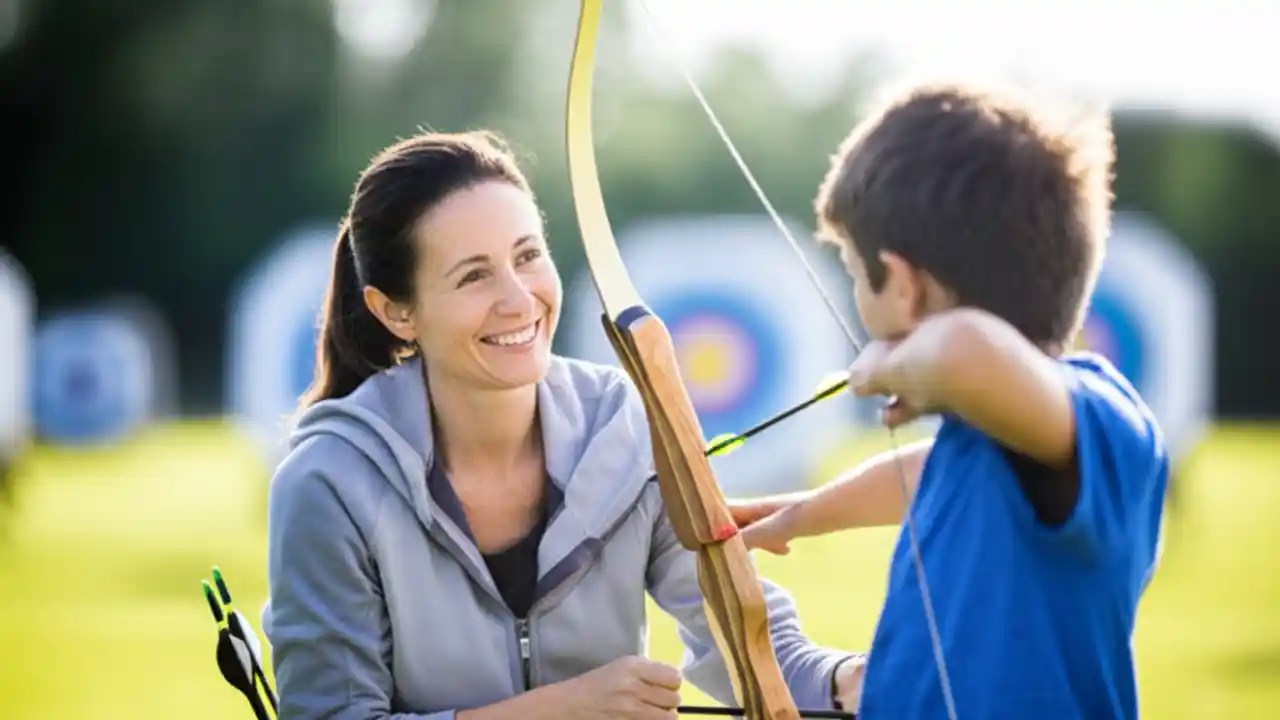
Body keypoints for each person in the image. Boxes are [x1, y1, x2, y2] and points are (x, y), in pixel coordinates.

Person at [263, 129, 864, 719]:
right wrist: (557, 710)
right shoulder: (330, 480)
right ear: (396, 312)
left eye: (528, 256)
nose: (520, 300)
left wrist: (846, 681)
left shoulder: (625, 426)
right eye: (474, 276)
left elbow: (750, 646)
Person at [730, 84, 1169, 718]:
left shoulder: (1105, 423)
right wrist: (803, 513)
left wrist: (889, 365)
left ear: (904, 287)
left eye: (856, 273)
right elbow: (935, 472)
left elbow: (964, 349)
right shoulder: (999, 442)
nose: (857, 295)